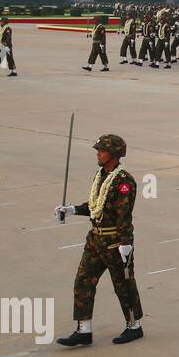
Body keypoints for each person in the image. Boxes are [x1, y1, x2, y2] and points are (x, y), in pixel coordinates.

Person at [54, 134, 143, 346]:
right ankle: (84, 330)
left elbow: (124, 215)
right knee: (83, 281)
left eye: (101, 151)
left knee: (123, 285)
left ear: (113, 155)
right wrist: (73, 209)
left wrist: (126, 243)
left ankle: (134, 326)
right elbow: (96, 206)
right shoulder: (101, 175)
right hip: (95, 240)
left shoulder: (124, 182)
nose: (98, 154)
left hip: (114, 242)